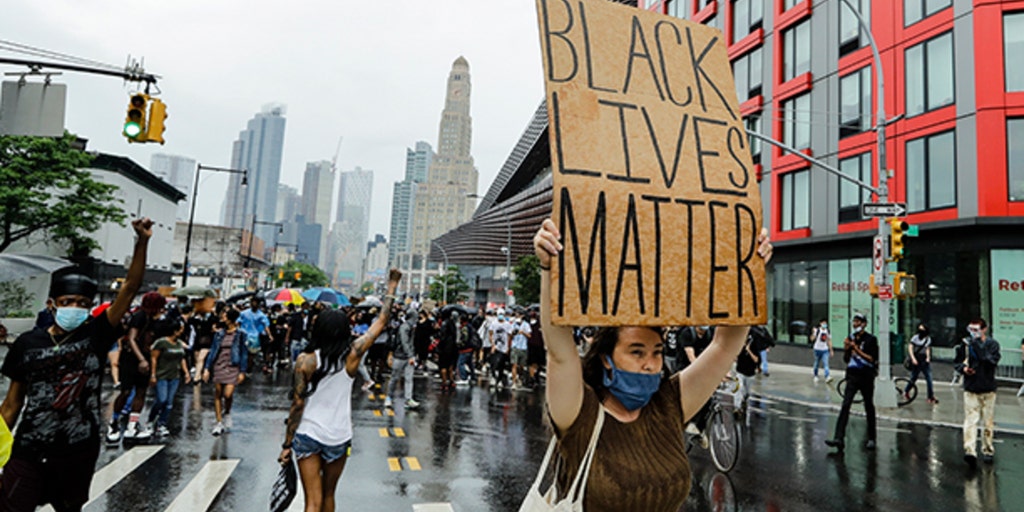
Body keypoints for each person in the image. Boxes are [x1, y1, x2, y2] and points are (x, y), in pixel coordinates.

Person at [530, 219, 772, 511]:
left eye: (656, 352)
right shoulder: (580, 415)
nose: (650, 364)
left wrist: (750, 271)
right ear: (607, 359)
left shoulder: (668, 405)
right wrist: (549, 269)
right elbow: (560, 354)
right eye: (636, 352)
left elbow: (723, 346)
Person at [0, 217, 153, 512]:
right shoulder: (28, 344)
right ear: (51, 305)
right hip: (28, 450)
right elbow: (11, 405)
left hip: (77, 452)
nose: (76, 308)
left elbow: (131, 287)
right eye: (69, 301)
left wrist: (142, 241)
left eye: (84, 303)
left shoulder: (96, 333)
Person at [278, 269, 402, 512]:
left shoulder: (305, 361)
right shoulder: (353, 354)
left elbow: (297, 405)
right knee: (328, 496)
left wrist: (287, 443)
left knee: (311, 502)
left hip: (308, 434)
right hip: (339, 434)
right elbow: (381, 321)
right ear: (346, 331)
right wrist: (392, 286)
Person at [109, 291, 167, 441]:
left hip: (145, 358)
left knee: (141, 392)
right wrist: (141, 359)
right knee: (126, 392)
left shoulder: (153, 318)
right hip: (131, 359)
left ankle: (132, 426)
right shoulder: (139, 316)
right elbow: (132, 339)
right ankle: (113, 423)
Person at [825, 313, 879, 452]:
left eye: (858, 322)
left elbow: (871, 359)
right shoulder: (851, 338)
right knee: (846, 404)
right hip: (852, 375)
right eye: (854, 321)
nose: (855, 324)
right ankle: (839, 438)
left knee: (868, 405)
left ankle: (872, 438)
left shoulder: (871, 339)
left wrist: (856, 349)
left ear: (864, 324)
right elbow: (846, 359)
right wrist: (847, 349)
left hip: (866, 376)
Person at [955, 318, 1001, 467]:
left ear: (984, 329)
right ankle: (970, 451)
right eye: (971, 329)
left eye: (976, 330)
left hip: (988, 388)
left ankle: (987, 449)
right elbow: (957, 362)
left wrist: (977, 346)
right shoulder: (965, 344)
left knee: (988, 421)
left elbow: (990, 361)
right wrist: (963, 369)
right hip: (971, 387)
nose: (973, 333)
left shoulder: (992, 345)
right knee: (971, 420)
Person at [203, 308, 248, 435]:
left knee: (228, 394)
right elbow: (213, 351)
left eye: (225, 316)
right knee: (218, 393)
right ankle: (218, 422)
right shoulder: (219, 334)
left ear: (230, 319)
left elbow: (244, 353)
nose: (222, 318)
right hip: (219, 365)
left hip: (233, 365)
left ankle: (227, 412)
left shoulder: (240, 334)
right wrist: (207, 368)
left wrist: (242, 371)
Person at [147, 318, 191, 436]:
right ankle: (151, 421)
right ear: (174, 330)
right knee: (162, 399)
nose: (182, 331)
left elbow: (182, 359)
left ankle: (162, 423)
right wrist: (153, 374)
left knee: (169, 403)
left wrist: (186, 373)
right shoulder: (161, 342)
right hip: (161, 375)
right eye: (180, 329)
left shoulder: (179, 344)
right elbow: (154, 358)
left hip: (174, 376)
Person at [385, 309, 420, 409]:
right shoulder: (405, 328)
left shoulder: (409, 327)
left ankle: (408, 399)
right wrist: (410, 355)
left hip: (406, 356)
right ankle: (389, 397)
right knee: (395, 378)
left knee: (408, 378)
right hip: (401, 356)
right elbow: (405, 342)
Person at [906, 323, 938, 404]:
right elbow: (910, 347)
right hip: (916, 359)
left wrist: (928, 357)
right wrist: (913, 358)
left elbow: (927, 349)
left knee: (929, 378)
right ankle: (906, 391)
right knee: (914, 377)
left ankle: (930, 396)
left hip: (924, 360)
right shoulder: (915, 338)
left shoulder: (927, 339)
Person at [239, 298, 271, 373]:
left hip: (252, 337)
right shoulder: (244, 313)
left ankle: (247, 368)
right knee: (247, 354)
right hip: (248, 336)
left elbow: (266, 326)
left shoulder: (260, 315)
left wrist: (269, 335)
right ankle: (246, 368)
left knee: (249, 354)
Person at [437, 311, 460, 392]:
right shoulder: (454, 325)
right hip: (453, 348)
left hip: (445, 348)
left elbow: (442, 337)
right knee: (450, 366)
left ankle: (444, 383)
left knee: (443, 366)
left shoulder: (444, 324)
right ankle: (451, 381)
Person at [509, 309, 532, 389]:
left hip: (523, 347)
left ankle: (520, 376)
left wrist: (523, 332)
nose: (517, 317)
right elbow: (510, 335)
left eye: (518, 315)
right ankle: (514, 382)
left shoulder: (526, 325)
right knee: (514, 364)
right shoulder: (513, 324)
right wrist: (513, 333)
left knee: (521, 366)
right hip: (515, 346)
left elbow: (529, 336)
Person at [488, 312, 512, 389]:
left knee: (501, 364)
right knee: (493, 362)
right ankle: (494, 377)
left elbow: (509, 336)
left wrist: (508, 347)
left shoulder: (507, 324)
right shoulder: (493, 323)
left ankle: (499, 379)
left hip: (504, 347)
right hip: (495, 346)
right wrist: (492, 345)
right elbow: (490, 334)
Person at [810, 318, 834, 383]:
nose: (824, 324)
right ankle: (815, 375)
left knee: (826, 363)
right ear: (820, 324)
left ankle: (827, 376)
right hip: (817, 349)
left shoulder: (827, 331)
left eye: (825, 323)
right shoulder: (817, 330)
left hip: (825, 350)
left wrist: (831, 350)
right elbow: (812, 339)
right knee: (816, 363)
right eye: (823, 323)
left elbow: (829, 341)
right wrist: (813, 333)